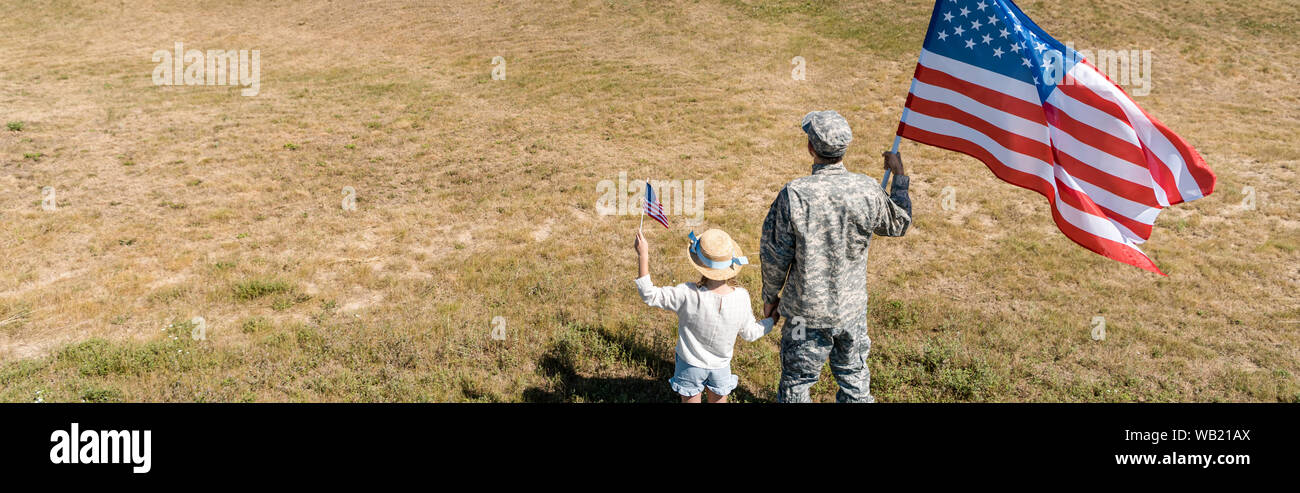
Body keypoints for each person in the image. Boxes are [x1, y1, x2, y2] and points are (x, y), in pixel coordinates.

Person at [760, 110, 913, 403]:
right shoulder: (867, 189)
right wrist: (900, 178)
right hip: (851, 311)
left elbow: (774, 254)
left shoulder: (795, 194)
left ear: (810, 148)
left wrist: (770, 297)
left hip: (806, 313)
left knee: (796, 383)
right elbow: (899, 223)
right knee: (854, 381)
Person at [633, 228, 775, 403]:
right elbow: (750, 333)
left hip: (689, 366)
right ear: (731, 264)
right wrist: (771, 321)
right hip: (721, 368)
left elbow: (649, 294)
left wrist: (643, 255)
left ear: (699, 262)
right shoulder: (741, 297)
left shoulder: (687, 293)